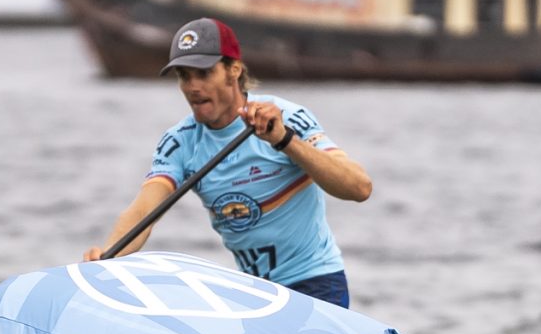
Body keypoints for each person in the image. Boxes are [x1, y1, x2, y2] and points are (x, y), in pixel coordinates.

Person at [88, 17, 371, 306]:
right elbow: (142, 213)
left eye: (203, 73)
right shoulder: (181, 142)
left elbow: (359, 187)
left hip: (316, 284)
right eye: (184, 76)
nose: (193, 87)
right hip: (254, 295)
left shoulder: (286, 117)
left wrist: (285, 141)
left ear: (233, 70)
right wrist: (106, 259)